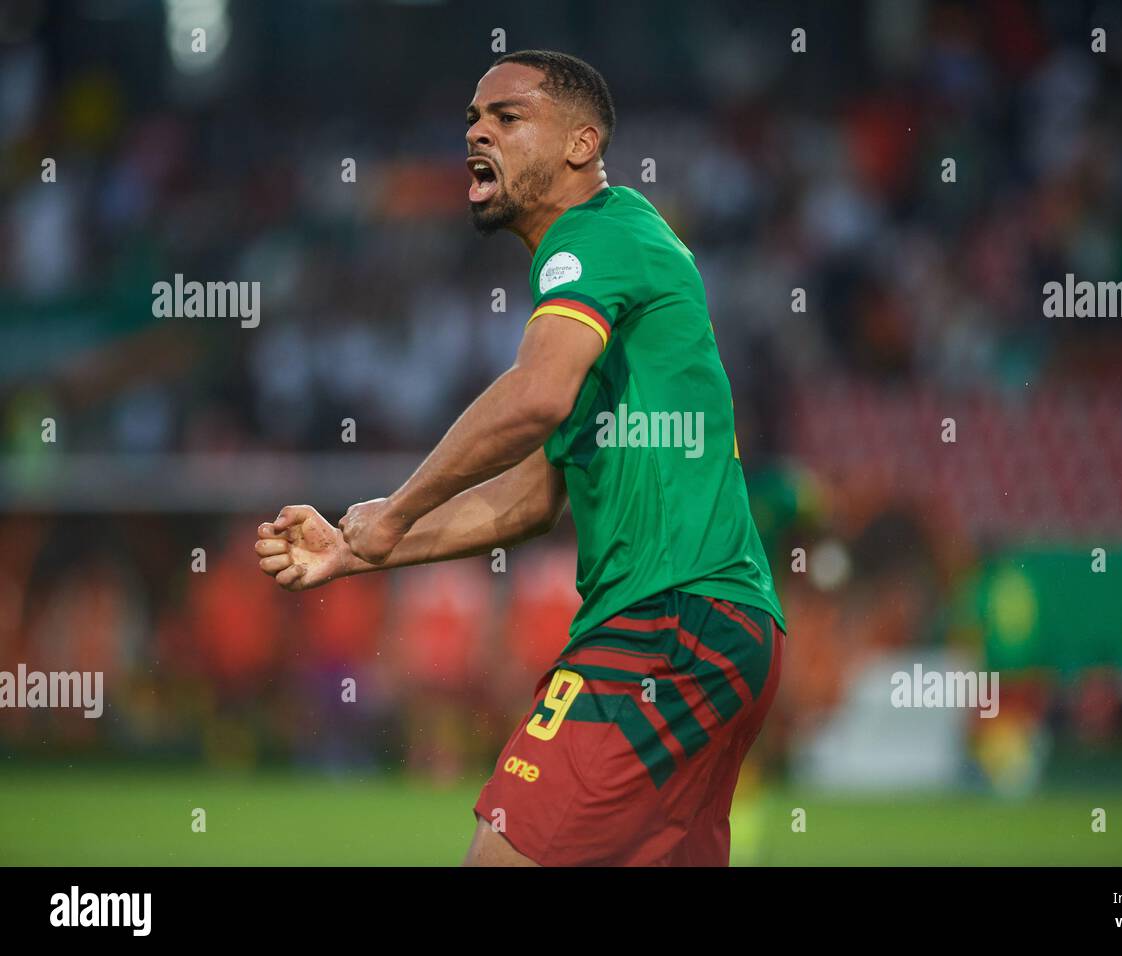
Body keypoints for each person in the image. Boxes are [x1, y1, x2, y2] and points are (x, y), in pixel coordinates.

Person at [254, 50, 785, 866]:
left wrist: (397, 506)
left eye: (507, 117)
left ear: (580, 144)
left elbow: (533, 396)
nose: (476, 131)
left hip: (666, 621)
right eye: (472, 117)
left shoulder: (596, 237)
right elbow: (534, 499)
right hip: (722, 627)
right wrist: (365, 547)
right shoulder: (614, 271)